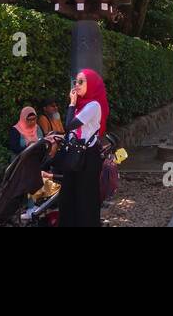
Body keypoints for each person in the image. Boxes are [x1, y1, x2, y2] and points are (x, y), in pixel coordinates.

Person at [58, 68, 109, 227]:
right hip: (75, 153)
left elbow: (69, 125)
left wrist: (71, 104)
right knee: (68, 195)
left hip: (87, 158)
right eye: (76, 81)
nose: (77, 85)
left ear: (92, 84)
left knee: (85, 199)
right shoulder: (81, 106)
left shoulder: (93, 105)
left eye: (81, 82)